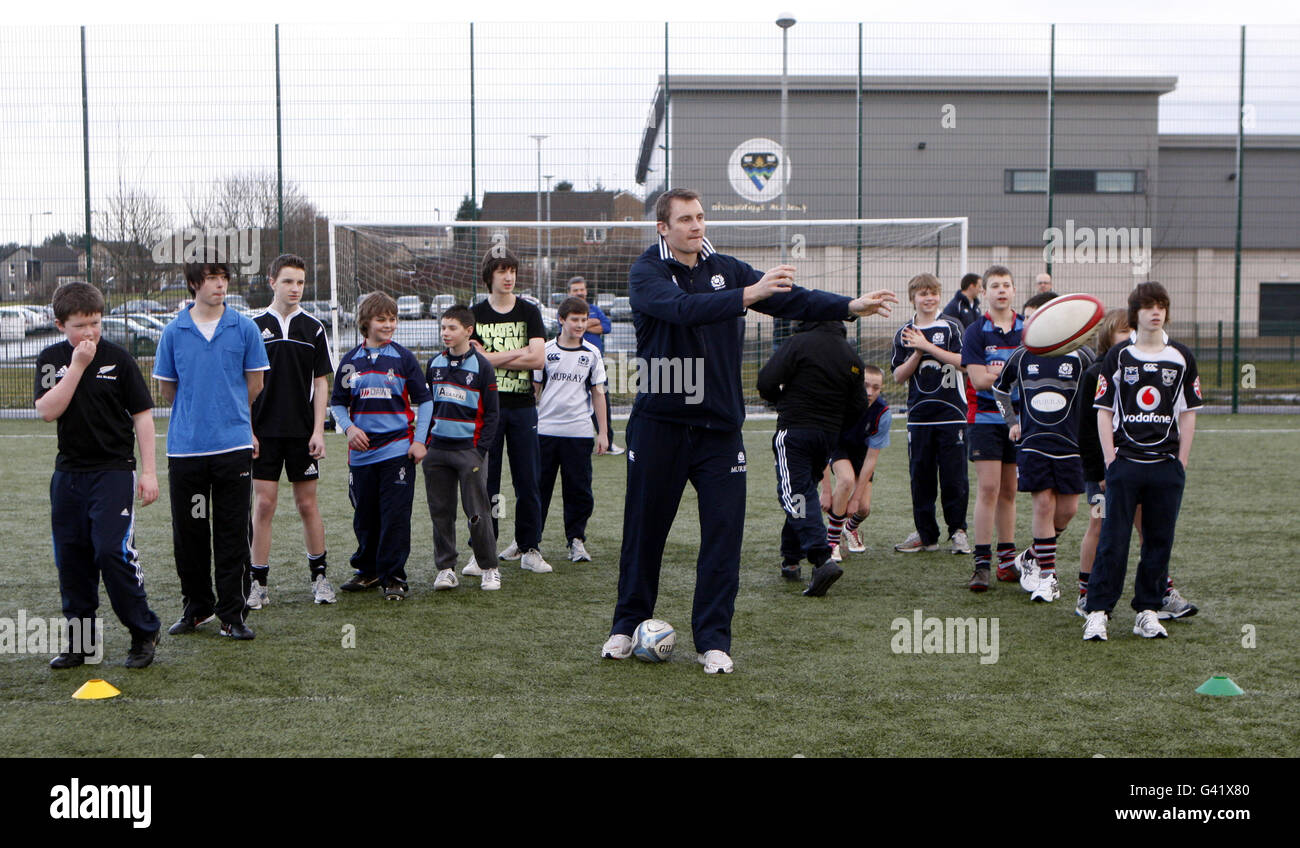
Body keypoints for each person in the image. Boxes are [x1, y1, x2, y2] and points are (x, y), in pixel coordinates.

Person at [601, 187, 897, 673]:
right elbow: (682, 308)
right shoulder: (646, 272)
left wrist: (848, 305)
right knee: (643, 535)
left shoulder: (729, 268)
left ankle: (713, 641)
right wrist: (746, 296)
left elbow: (790, 298)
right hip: (660, 426)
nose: (697, 226)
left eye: (700, 217)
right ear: (663, 227)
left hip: (719, 431)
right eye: (685, 220)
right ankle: (624, 625)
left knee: (722, 538)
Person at [35, 282, 162, 668]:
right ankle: (81, 643)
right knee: (72, 558)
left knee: (112, 550)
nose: (90, 332)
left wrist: (150, 472)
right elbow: (47, 409)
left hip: (113, 472)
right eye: (80, 325)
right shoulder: (52, 359)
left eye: (95, 322)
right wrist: (77, 366)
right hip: (68, 475)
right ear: (60, 325)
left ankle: (143, 631)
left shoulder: (120, 360)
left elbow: (143, 417)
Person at [153, 258, 269, 640]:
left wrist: (231, 416)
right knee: (190, 533)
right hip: (186, 451)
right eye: (210, 278)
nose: (219, 285)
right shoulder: (173, 332)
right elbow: (169, 390)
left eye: (223, 278)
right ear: (192, 284)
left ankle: (232, 614)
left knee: (232, 532)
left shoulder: (245, 328)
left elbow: (254, 384)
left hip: (232, 448)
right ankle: (197, 607)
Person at [1084, 282, 1202, 642]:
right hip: (1125, 464)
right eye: (1148, 306)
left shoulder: (1181, 356)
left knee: (1158, 540)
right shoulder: (1118, 357)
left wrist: (1180, 462)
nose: (1156, 312)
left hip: (1165, 465)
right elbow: (1103, 412)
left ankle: (1148, 611)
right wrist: (1110, 460)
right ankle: (1098, 612)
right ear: (1135, 312)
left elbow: (1189, 413)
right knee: (1113, 540)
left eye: (1161, 305)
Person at [991, 291, 1094, 605]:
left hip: (1073, 446)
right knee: (1044, 506)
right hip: (1034, 444)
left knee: (1068, 510)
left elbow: (1100, 396)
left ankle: (1032, 555)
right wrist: (1012, 421)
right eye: (1030, 318)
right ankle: (1047, 578)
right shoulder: (1022, 355)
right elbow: (999, 389)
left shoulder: (1083, 355)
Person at [330, 293, 432, 600]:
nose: (389, 325)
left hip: (397, 449)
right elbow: (337, 403)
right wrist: (349, 428)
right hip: (361, 454)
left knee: (395, 514)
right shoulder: (350, 362)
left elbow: (425, 401)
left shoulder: (403, 358)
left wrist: (419, 441)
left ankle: (394, 577)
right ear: (366, 323)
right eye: (381, 319)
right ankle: (369, 571)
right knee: (365, 515)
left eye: (392, 319)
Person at [248, 254, 336, 609]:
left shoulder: (313, 328)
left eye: (300, 282)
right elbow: (245, 384)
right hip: (263, 434)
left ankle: (320, 578)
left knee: (307, 504)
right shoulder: (252, 327)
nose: (295, 288)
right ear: (272, 281)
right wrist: (247, 429)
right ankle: (257, 584)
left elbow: (321, 382)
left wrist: (319, 430)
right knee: (264, 504)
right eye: (288, 281)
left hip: (302, 434)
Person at [757, 319, 867, 597]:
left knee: (794, 495)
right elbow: (858, 406)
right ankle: (791, 559)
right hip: (827, 437)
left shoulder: (798, 343)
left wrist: (781, 402)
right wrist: (834, 421)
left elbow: (766, 381)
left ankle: (821, 559)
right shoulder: (851, 354)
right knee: (804, 490)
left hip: (795, 430)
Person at [467, 248, 550, 575]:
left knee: (528, 481)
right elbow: (473, 361)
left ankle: (530, 547)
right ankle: (483, 552)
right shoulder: (475, 314)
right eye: (502, 270)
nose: (509, 276)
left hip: (523, 409)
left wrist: (492, 357)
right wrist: (517, 354)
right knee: (488, 485)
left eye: (512, 270)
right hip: (487, 412)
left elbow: (538, 359)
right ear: (490, 276)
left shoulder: (530, 311)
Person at [422, 305, 501, 591]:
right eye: (443, 327)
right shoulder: (433, 364)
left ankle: (488, 567)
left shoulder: (482, 366)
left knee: (477, 512)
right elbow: (427, 407)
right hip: (437, 451)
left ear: (468, 331)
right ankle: (446, 568)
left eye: (452, 327)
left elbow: (492, 414)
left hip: (469, 451)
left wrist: (480, 449)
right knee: (441, 511)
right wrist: (426, 444)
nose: (446, 332)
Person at [891, 272, 970, 555]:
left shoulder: (951, 326)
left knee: (954, 477)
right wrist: (916, 353)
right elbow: (899, 376)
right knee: (921, 478)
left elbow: (964, 362)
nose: (929, 298)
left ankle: (958, 531)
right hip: (919, 416)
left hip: (951, 414)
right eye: (923, 293)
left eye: (933, 293)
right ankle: (926, 534)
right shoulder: (905, 332)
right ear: (913, 298)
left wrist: (927, 347)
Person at [961, 265, 1024, 591]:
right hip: (984, 419)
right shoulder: (975, 331)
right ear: (984, 292)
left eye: (1007, 285)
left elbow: (1031, 376)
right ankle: (981, 564)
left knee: (1010, 492)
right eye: (995, 285)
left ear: (1014, 291)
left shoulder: (1028, 330)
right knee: (988, 489)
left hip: (1018, 422)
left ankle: (1007, 562)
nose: (1001, 290)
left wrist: (997, 373)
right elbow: (977, 380)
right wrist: (1010, 376)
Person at [534, 297, 610, 564]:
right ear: (561, 320)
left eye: (583, 319)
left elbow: (598, 393)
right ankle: (530, 543)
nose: (580, 324)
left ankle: (576, 541)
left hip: (578, 432)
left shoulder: (591, 353)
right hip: (545, 430)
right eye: (574, 320)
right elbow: (535, 390)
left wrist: (602, 432)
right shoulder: (544, 350)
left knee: (579, 490)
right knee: (537, 488)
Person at [820, 365, 892, 561]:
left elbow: (871, 458)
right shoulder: (840, 404)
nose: (870, 392)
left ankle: (849, 529)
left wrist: (855, 499)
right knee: (846, 480)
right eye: (866, 385)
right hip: (838, 447)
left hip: (861, 454)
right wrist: (826, 491)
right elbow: (822, 446)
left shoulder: (882, 413)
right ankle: (832, 542)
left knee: (863, 508)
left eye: (876, 387)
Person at [566, 275, 623, 455]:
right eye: (576, 290)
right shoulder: (565, 312)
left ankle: (608, 442)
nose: (579, 293)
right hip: (573, 363)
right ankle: (571, 441)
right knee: (574, 402)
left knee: (602, 401)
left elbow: (606, 327)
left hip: (597, 364)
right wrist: (591, 324)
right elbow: (568, 332)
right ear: (570, 293)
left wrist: (582, 326)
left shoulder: (595, 309)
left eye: (582, 289)